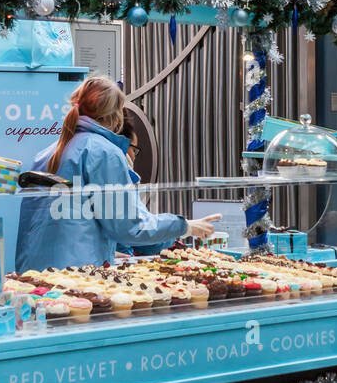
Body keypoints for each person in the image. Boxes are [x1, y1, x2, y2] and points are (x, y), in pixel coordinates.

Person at [15, 75, 219, 272]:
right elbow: (130, 227)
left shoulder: (46, 154)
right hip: (75, 278)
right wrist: (184, 226)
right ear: (116, 116)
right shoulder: (103, 152)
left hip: (33, 275)